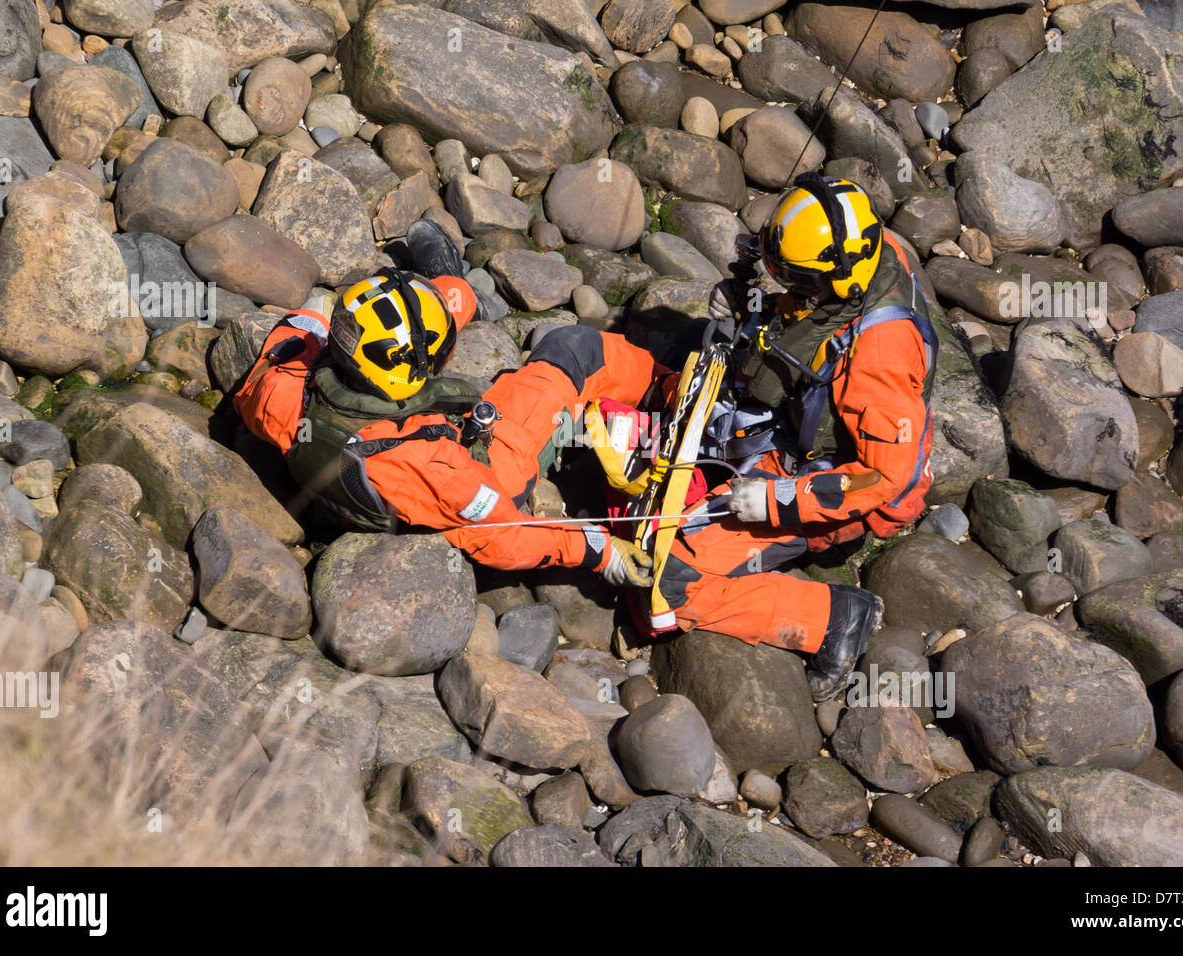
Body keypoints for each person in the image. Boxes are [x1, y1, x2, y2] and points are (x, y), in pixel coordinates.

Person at [233, 220, 664, 588]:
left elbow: (294, 333)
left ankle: (450, 283)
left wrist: (318, 318)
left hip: (365, 452)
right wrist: (598, 551)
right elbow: (504, 536)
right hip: (489, 466)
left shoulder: (283, 391)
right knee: (571, 349)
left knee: (432, 308)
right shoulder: (437, 466)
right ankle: (662, 383)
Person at [654, 173, 939, 701]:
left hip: (819, 481)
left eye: (794, 277)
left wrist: (773, 499)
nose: (784, 283)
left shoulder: (881, 354)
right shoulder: (866, 250)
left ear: (841, 271)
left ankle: (833, 618)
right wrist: (746, 307)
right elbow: (809, 320)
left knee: (669, 579)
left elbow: (884, 478)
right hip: (788, 425)